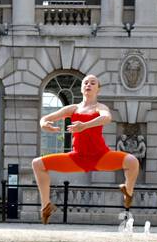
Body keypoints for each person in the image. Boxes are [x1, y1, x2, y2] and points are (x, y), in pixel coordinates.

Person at [32, 73, 139, 223]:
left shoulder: (100, 107)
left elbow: (107, 118)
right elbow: (46, 117)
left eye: (93, 83)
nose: (88, 85)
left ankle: (128, 192)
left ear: (98, 89)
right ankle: (46, 206)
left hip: (101, 156)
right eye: (85, 83)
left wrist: (85, 126)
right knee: (37, 164)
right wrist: (44, 123)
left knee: (132, 161)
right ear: (82, 88)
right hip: (78, 158)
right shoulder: (73, 109)